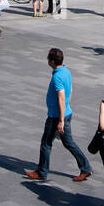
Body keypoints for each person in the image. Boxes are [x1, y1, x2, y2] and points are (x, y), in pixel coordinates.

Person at [24, 47, 92, 184]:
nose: (48, 61)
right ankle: (85, 167)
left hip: (56, 117)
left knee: (46, 143)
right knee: (68, 143)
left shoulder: (57, 77)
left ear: (53, 61)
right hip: (65, 113)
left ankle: (42, 172)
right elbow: (70, 90)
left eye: (49, 59)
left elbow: (61, 97)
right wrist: (67, 105)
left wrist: (60, 120)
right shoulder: (66, 71)